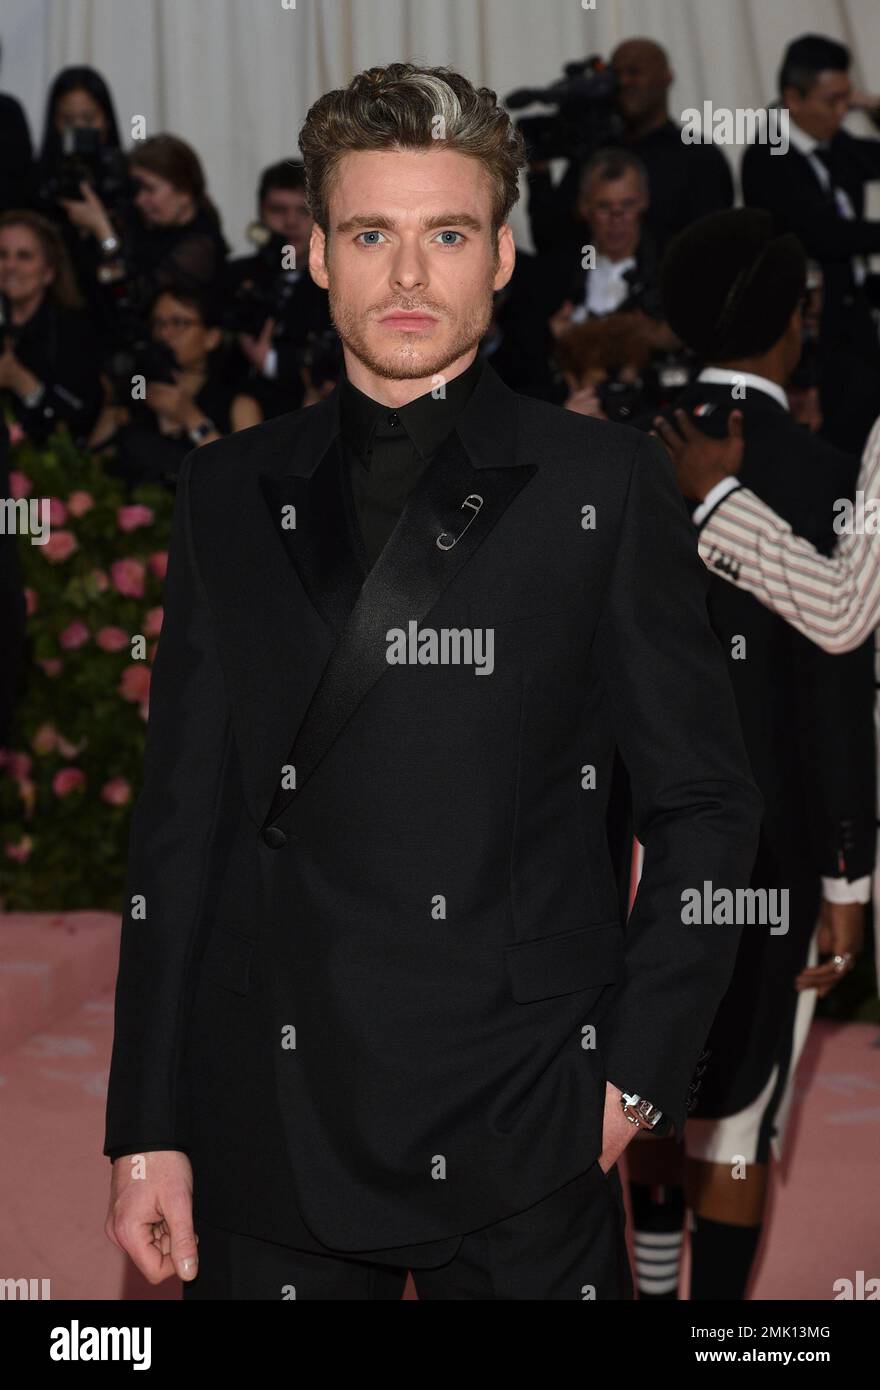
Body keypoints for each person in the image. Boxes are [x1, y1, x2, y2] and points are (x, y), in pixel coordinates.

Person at [103, 61, 762, 1302]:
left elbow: (706, 803)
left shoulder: (601, 485)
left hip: (525, 1109)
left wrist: (634, 1074)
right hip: (273, 1114)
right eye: (371, 234)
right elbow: (179, 830)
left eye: (446, 234)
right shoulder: (226, 490)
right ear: (313, 254)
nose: (409, 277)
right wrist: (149, 1122)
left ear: (502, 257)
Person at [630, 209, 875, 1302]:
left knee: (640, 1078)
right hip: (771, 848)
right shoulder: (824, 471)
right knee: (736, 1112)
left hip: (620, 841)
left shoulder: (615, 452)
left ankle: (641, 1291)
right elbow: (835, 694)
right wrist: (846, 875)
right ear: (796, 323)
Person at [741, 34, 880, 452]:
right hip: (812, 341)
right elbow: (824, 235)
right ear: (793, 98)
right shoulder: (767, 157)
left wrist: (872, 106)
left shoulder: (837, 145)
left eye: (846, 99)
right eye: (831, 100)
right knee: (838, 452)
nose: (842, 111)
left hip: (855, 323)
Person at [526, 37, 734, 260]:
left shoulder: (699, 158)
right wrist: (540, 170)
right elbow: (549, 243)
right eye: (616, 75)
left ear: (667, 78)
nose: (624, 82)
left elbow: (714, 252)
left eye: (634, 72)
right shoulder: (594, 154)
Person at [90, 283, 262, 486]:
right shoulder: (136, 394)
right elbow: (88, 472)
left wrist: (192, 419)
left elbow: (246, 488)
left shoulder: (238, 406)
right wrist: (114, 399)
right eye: (158, 323)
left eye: (179, 323)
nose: (165, 334)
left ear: (211, 338)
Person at [224, 160, 332, 418]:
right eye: (278, 210)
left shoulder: (334, 283)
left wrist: (272, 363)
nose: (291, 222)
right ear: (261, 213)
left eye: (303, 211)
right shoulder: (235, 275)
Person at [0, 210, 102, 445]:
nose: (10, 266)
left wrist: (22, 382)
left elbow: (80, 420)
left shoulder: (74, 332)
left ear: (48, 272)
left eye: (24, 256)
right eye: (2, 255)